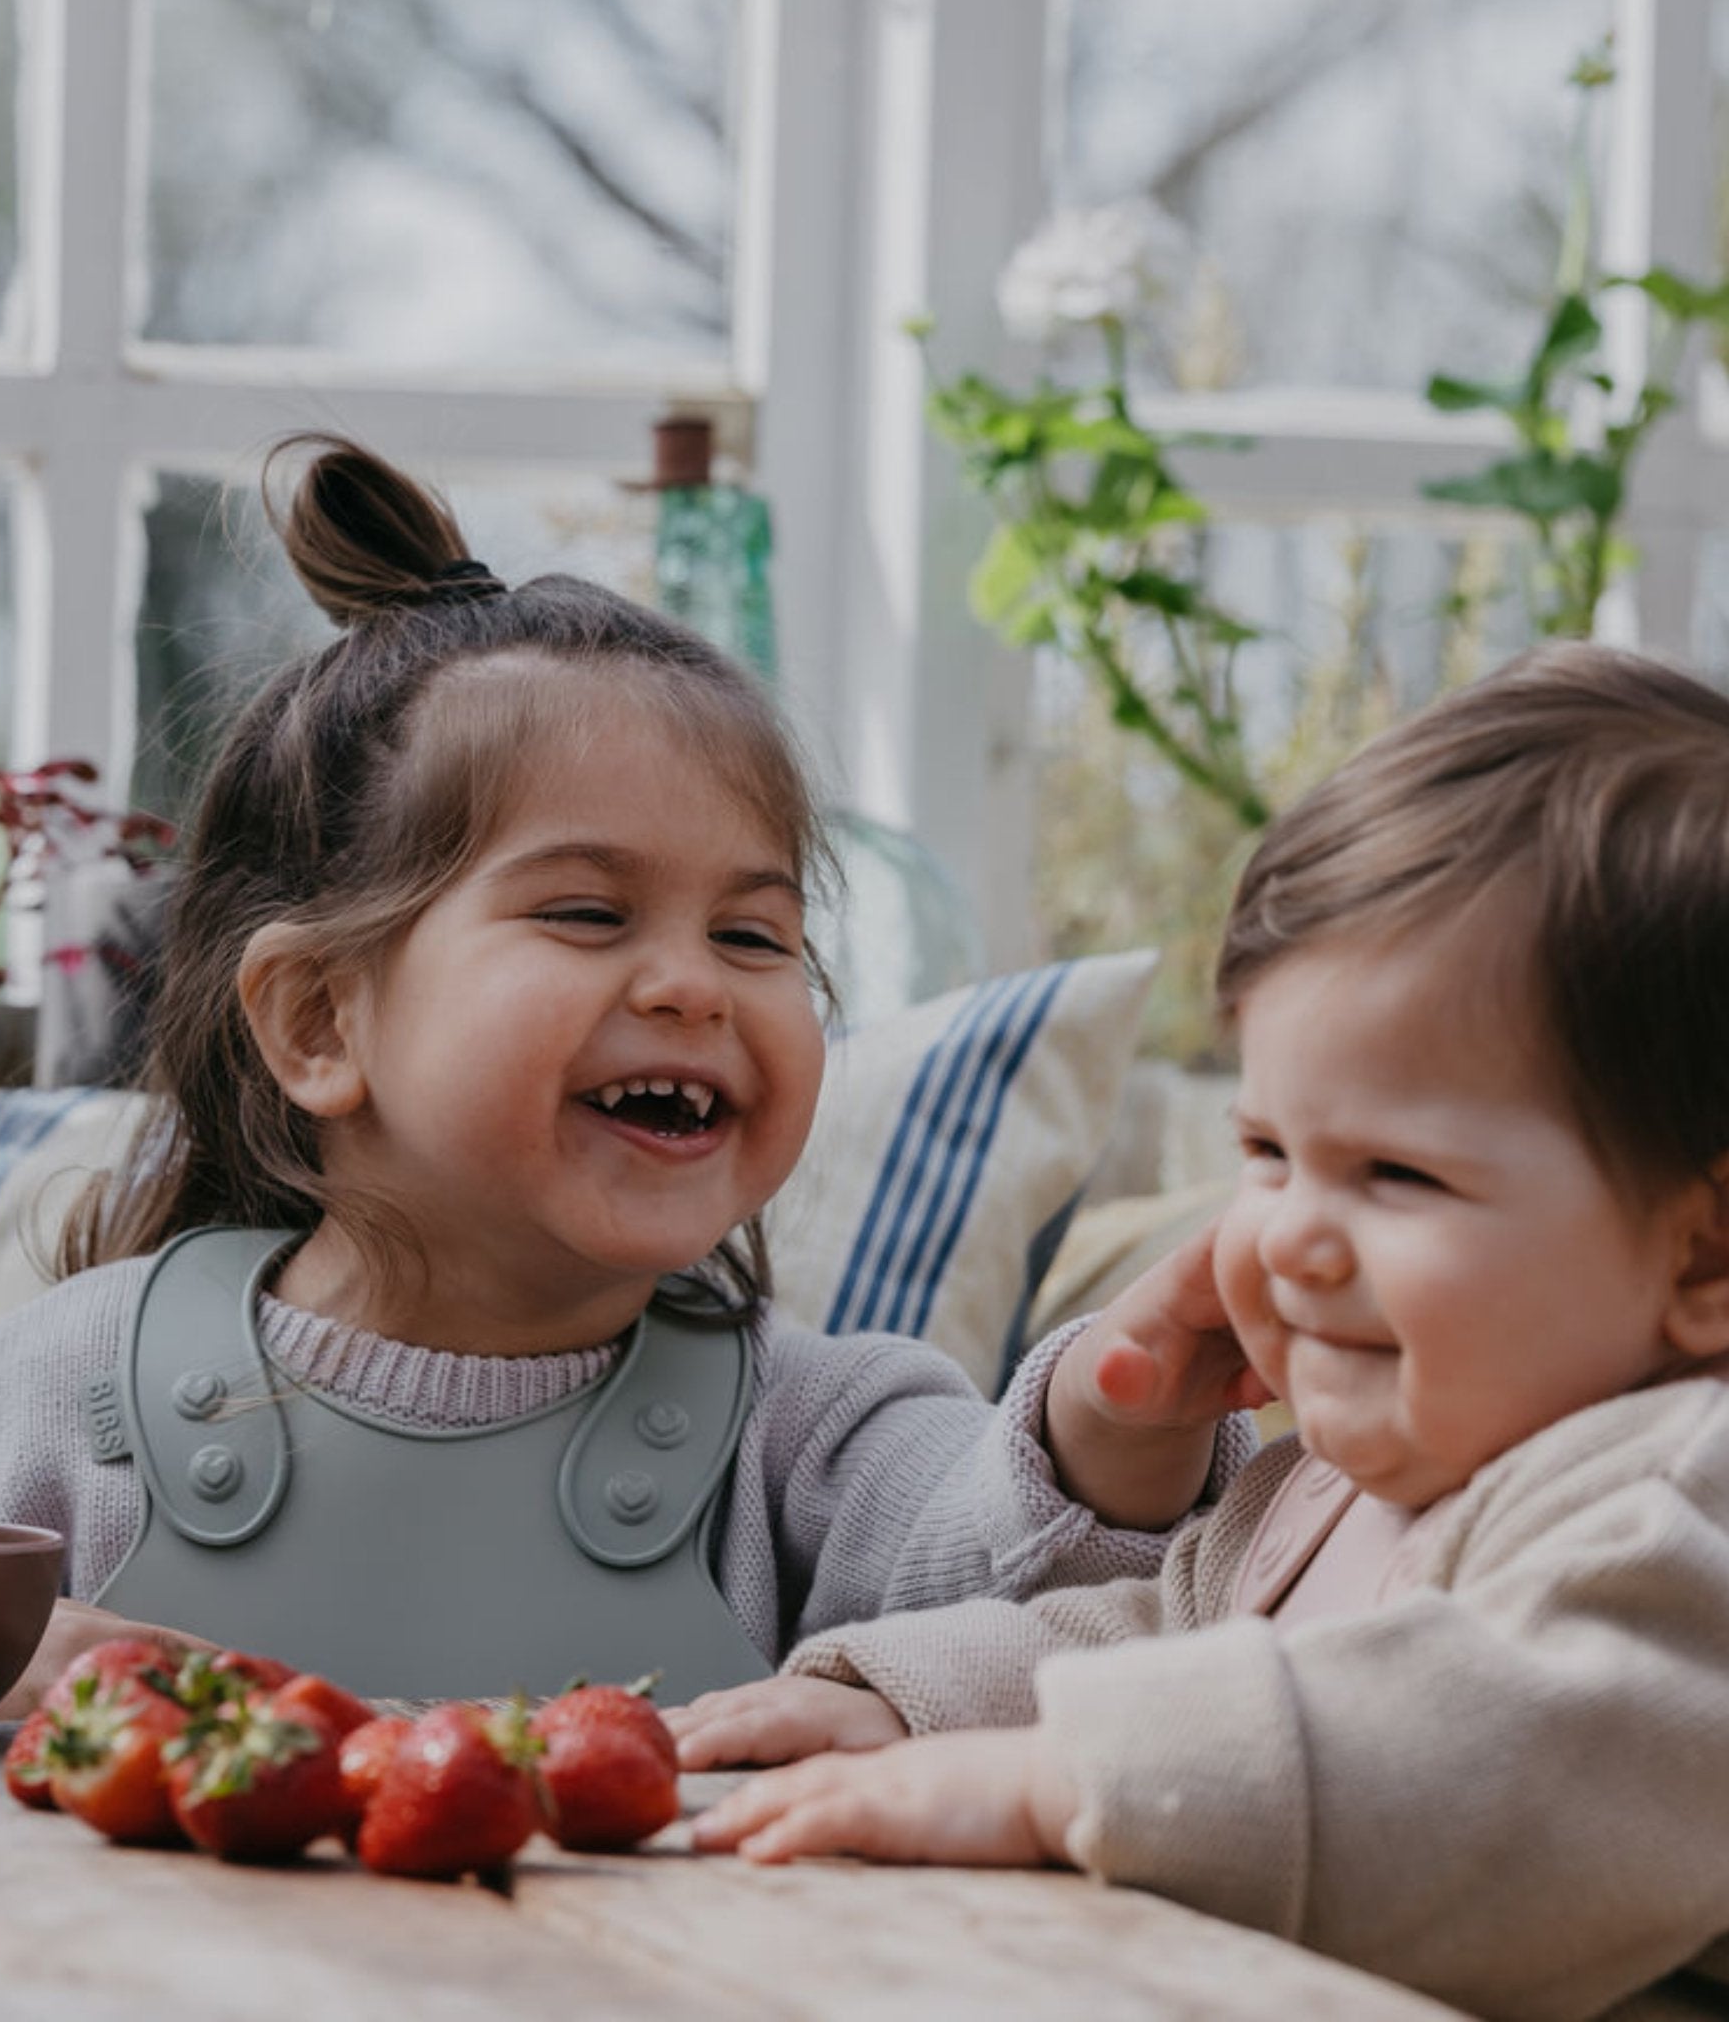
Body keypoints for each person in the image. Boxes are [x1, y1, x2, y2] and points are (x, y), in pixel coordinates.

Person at [0, 434, 1257, 1713]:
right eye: (586, 913)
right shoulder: (58, 1393)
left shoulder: (818, 1430)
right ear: (317, 1022)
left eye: (756, 934)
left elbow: (1018, 1607)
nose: (694, 982)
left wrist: (1114, 1422)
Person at [674, 644, 1729, 2022]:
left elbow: (1518, 1763)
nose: (1286, 1235)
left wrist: (1060, 1784)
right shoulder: (1330, 1487)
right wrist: (920, 1707)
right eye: (1269, 1150)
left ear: (1702, 1253)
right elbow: (1172, 1649)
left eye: (1397, 1176)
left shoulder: (1685, 1495)